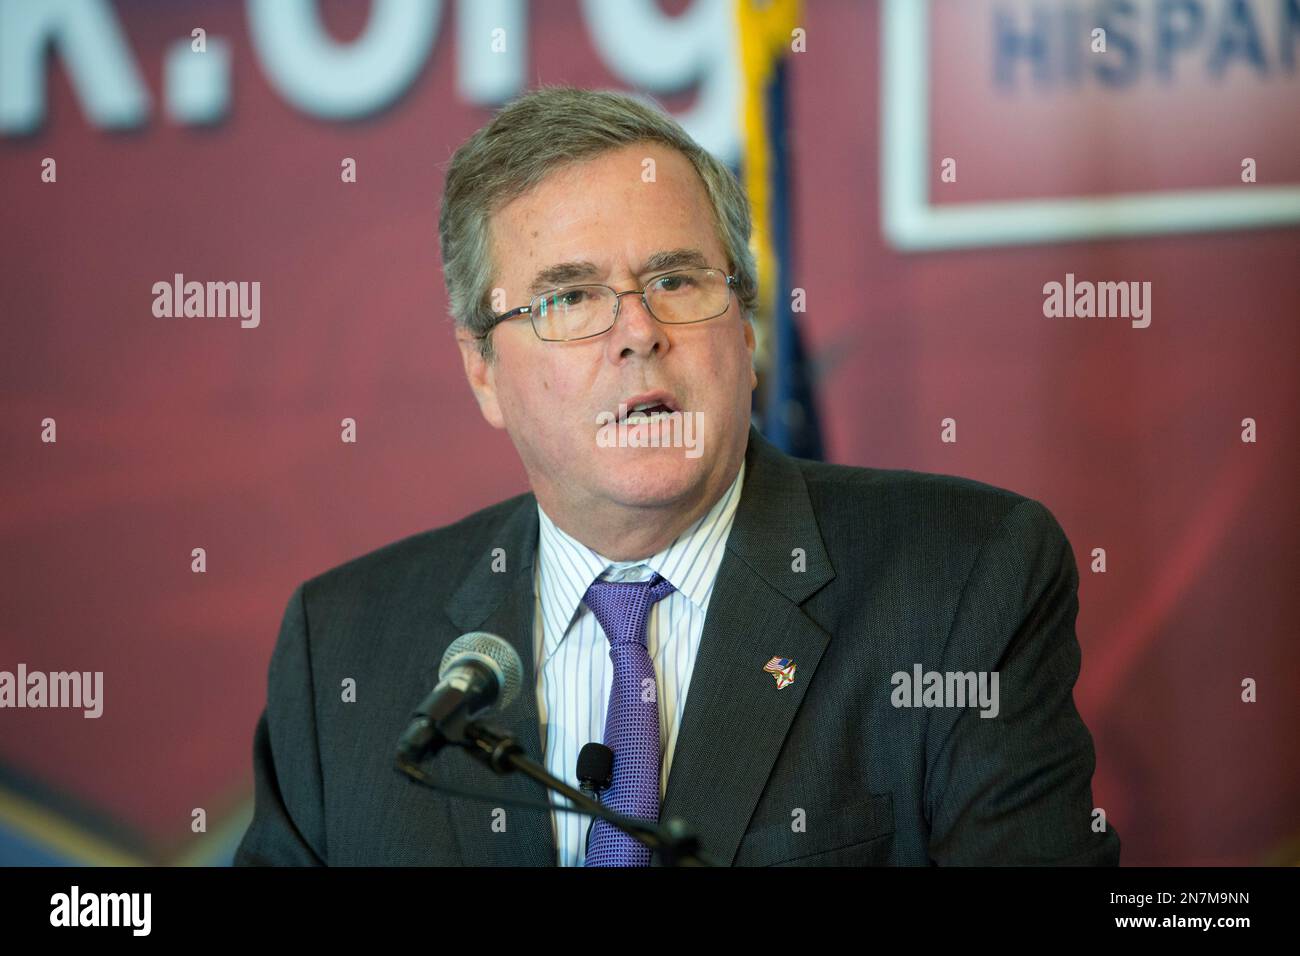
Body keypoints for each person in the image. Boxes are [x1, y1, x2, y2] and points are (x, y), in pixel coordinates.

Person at [234, 86, 1120, 867]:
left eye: (676, 279)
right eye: (569, 298)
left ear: (743, 326)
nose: (638, 332)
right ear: (481, 370)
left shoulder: (959, 581)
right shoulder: (342, 648)